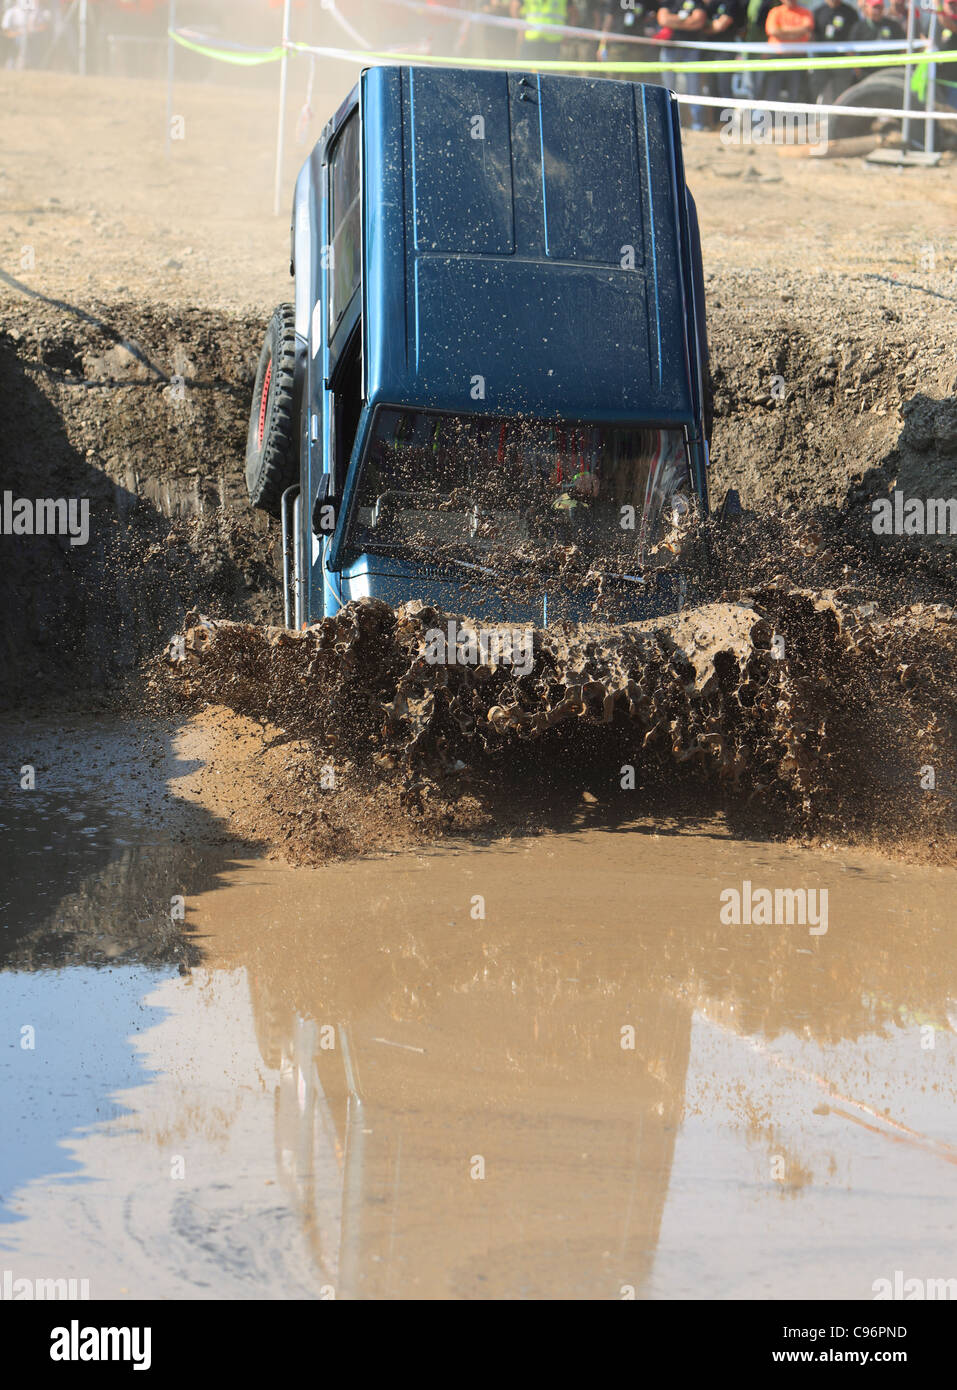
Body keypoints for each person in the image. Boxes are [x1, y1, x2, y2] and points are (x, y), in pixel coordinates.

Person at [656, 0, 710, 130]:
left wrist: (674, 21)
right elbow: (663, 20)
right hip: (670, 47)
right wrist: (685, 20)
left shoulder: (697, 2)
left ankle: (697, 123)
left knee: (694, 87)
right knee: (667, 88)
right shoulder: (668, 2)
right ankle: (669, 123)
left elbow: (697, 22)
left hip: (691, 48)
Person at [764, 0, 814, 103]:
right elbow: (773, 31)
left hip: (797, 58)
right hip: (776, 58)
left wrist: (782, 31)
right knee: (772, 91)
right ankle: (770, 118)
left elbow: (806, 29)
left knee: (797, 92)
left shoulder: (805, 12)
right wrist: (796, 33)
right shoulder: (775, 11)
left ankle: (795, 119)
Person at [812, 0, 858, 99]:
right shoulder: (818, 11)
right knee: (816, 93)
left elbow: (854, 35)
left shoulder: (850, 12)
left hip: (842, 61)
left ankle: (840, 114)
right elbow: (812, 36)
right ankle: (817, 114)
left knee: (842, 96)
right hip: (821, 60)